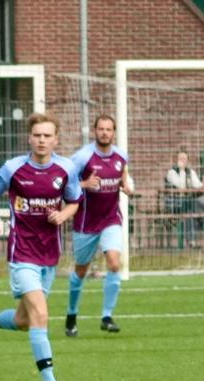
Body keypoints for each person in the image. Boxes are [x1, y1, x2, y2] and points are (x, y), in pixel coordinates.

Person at [0, 111, 81, 381]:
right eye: (37, 135)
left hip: (50, 254)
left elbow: (75, 202)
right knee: (41, 315)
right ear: (29, 138)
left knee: (24, 320)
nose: (42, 140)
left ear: (56, 139)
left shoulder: (66, 169)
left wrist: (63, 215)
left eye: (47, 136)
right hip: (21, 253)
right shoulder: (13, 168)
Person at [68, 116, 133, 336]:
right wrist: (84, 184)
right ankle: (71, 315)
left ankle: (106, 316)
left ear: (114, 132)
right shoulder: (82, 157)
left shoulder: (121, 155)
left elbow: (122, 173)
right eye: (101, 129)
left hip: (111, 218)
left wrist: (125, 183)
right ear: (94, 131)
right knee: (81, 270)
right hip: (86, 222)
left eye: (109, 129)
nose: (105, 133)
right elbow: (63, 181)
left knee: (114, 263)